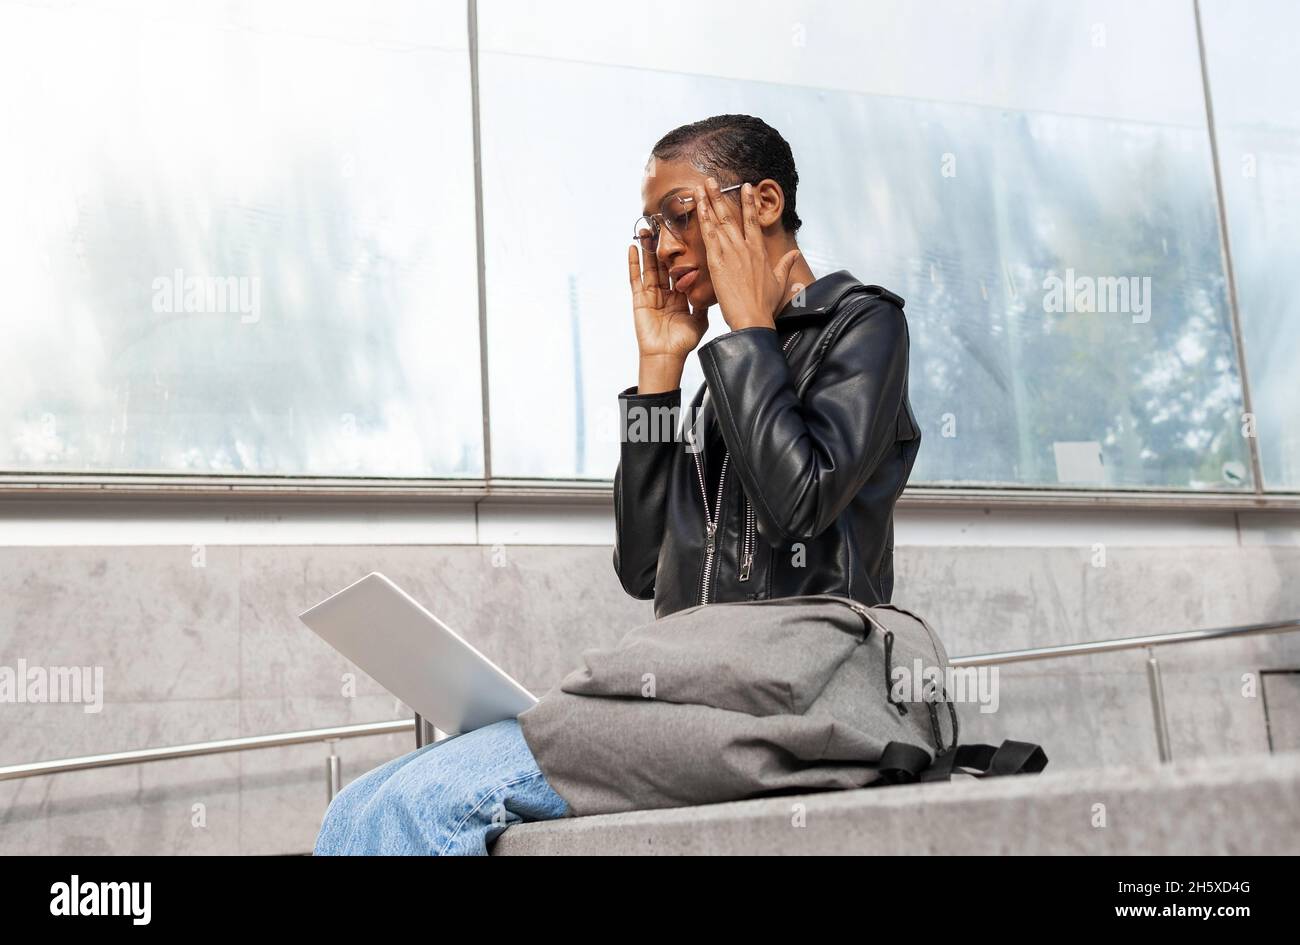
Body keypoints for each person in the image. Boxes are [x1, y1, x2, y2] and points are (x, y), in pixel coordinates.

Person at [314, 113, 919, 855]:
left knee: (422, 803)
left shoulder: (860, 324)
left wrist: (748, 332)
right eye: (652, 228)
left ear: (762, 204)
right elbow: (641, 565)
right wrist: (660, 374)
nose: (664, 247)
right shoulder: (719, 384)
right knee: (361, 803)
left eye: (682, 215)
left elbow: (801, 503)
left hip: (790, 700)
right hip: (690, 693)